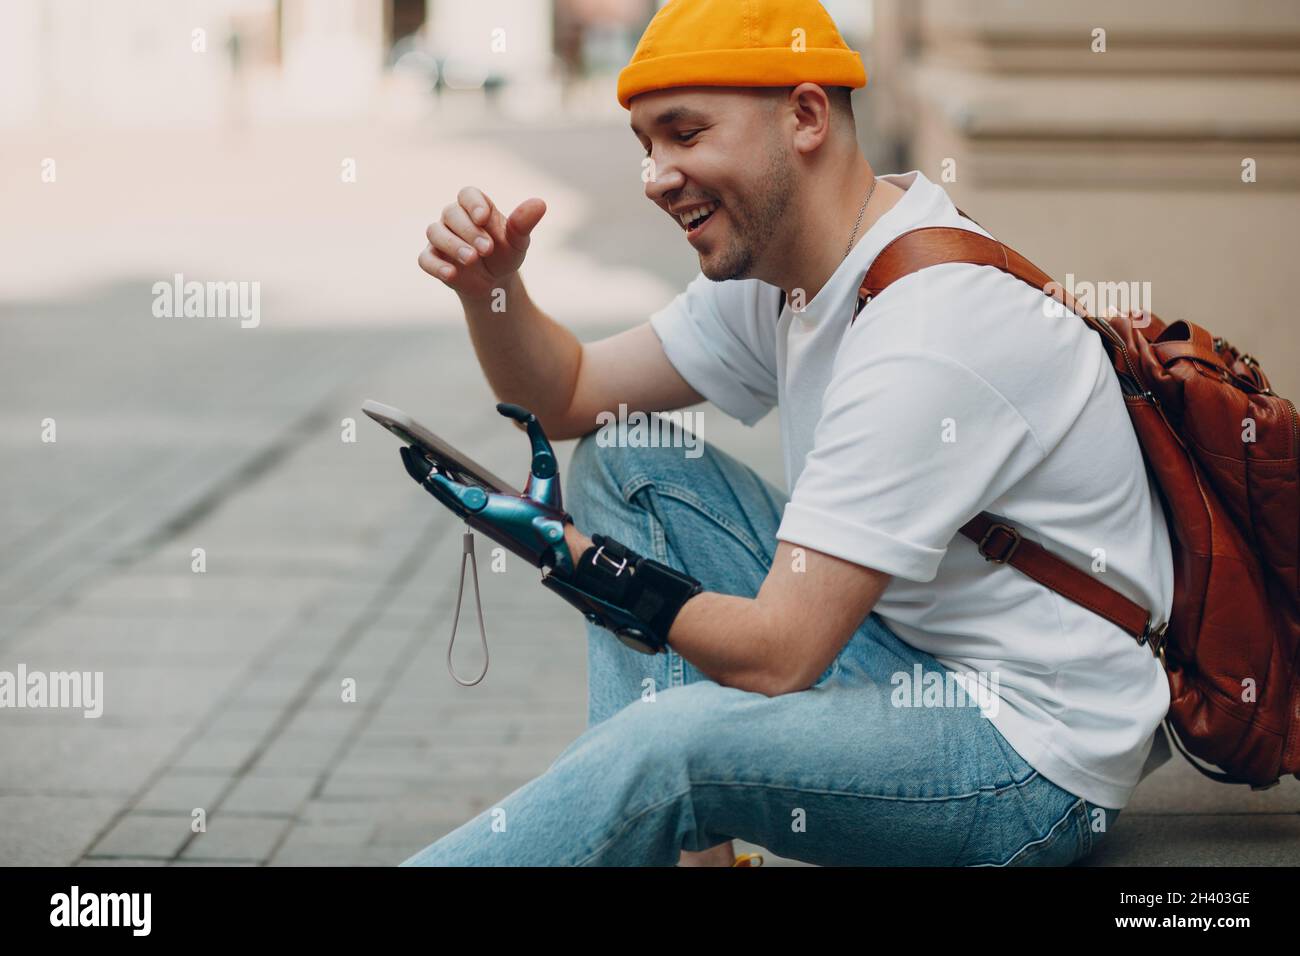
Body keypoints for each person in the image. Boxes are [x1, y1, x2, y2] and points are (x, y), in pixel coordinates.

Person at [405, 0, 1173, 867]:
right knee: (626, 456)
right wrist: (491, 289)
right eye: (646, 145)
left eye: (685, 134)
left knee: (672, 749)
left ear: (806, 115)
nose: (657, 175)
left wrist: (573, 555)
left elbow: (780, 656)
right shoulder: (788, 273)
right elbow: (573, 394)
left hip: (1028, 761)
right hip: (904, 653)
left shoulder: (930, 330)